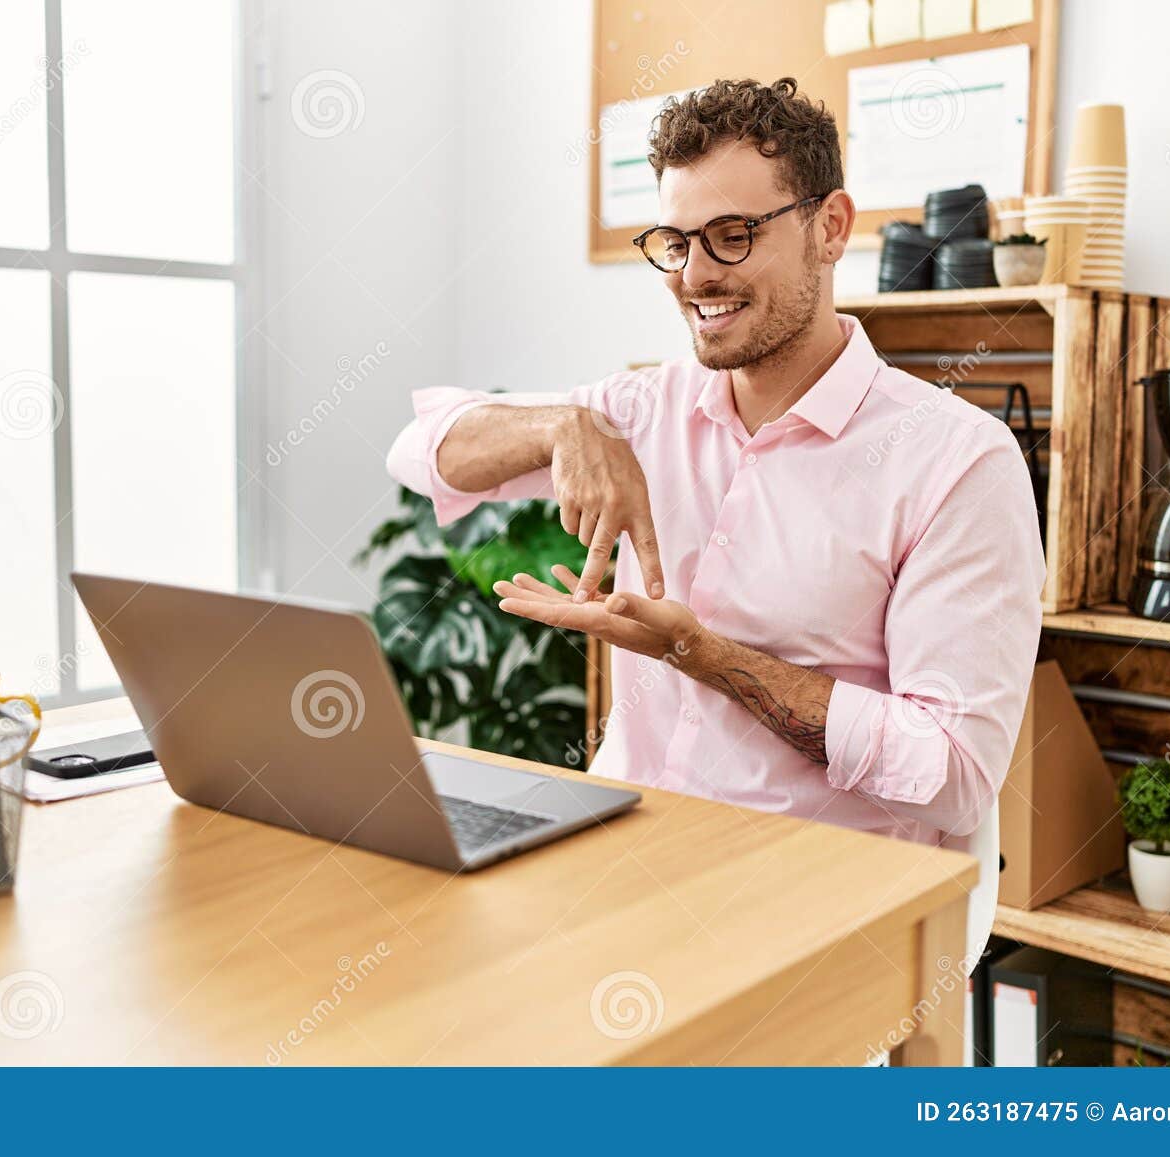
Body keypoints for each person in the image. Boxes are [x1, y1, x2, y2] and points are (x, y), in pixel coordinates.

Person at [386, 78, 1043, 845]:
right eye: (675, 242)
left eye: (733, 234)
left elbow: (955, 777)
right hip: (622, 853)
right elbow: (421, 449)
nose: (694, 276)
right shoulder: (643, 409)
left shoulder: (958, 462)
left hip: (816, 886)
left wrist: (697, 652)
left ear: (830, 228)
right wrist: (564, 427)